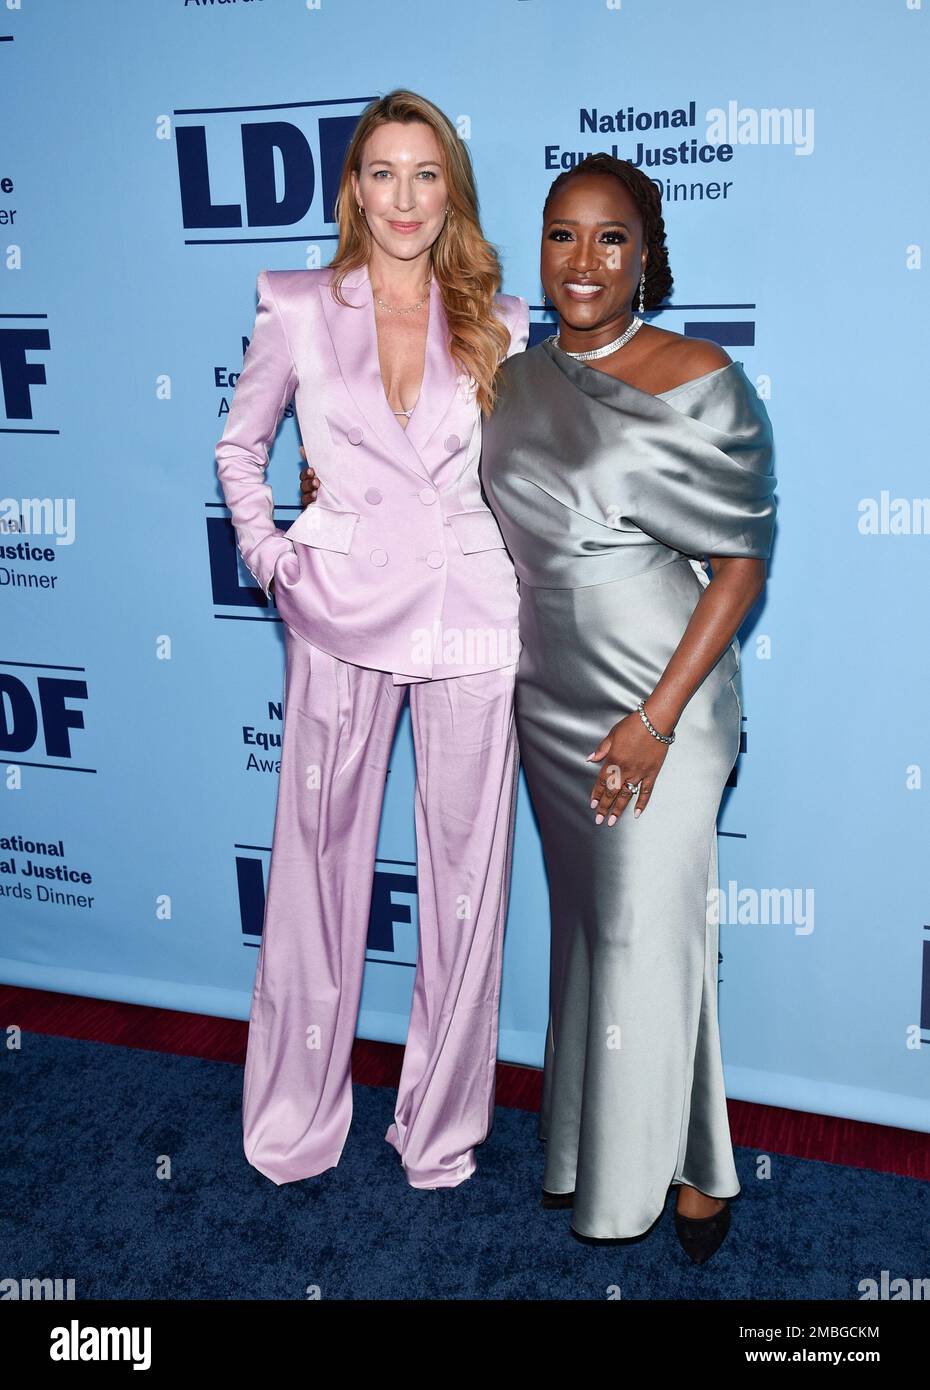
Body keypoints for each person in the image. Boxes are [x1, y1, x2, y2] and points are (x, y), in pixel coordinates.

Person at [215, 89, 529, 1191]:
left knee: (463, 887)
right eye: (383, 173)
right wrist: (273, 560)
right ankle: (297, 1118)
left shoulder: (502, 315)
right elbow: (238, 449)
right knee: (312, 872)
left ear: (453, 190)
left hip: (471, 615)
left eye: (426, 174)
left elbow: (524, 478)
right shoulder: (301, 304)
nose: (404, 198)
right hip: (339, 611)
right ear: (354, 187)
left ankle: (438, 1130)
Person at [479, 155, 777, 1261]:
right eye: (563, 235)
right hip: (548, 695)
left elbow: (740, 565)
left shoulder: (699, 375)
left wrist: (652, 721)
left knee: (650, 934)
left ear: (647, 254)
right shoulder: (510, 380)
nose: (586, 260)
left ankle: (660, 1181)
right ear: (542, 247)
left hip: (669, 694)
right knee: (596, 940)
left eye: (612, 239)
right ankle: (649, 1154)